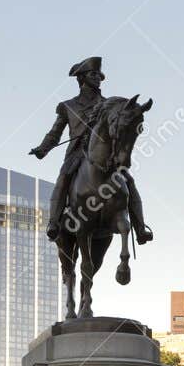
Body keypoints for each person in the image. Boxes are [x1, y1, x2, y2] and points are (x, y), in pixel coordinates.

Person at [30, 56, 153, 244]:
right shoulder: (68, 106)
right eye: (93, 74)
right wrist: (42, 149)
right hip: (77, 154)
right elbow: (55, 134)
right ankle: (54, 223)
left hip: (105, 156)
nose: (97, 78)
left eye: (99, 75)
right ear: (82, 78)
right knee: (63, 179)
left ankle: (140, 228)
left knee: (128, 180)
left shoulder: (109, 104)